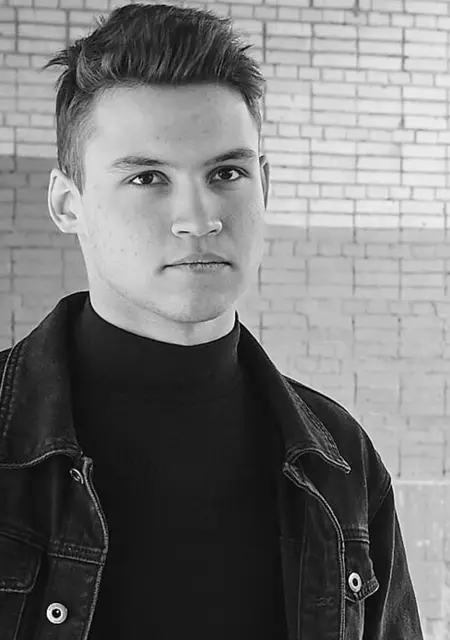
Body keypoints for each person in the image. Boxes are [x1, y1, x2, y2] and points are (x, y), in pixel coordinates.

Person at [0, 3, 423, 639]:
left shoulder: (342, 463)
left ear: (264, 186)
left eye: (226, 173)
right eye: (148, 177)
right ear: (68, 204)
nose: (199, 218)